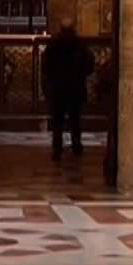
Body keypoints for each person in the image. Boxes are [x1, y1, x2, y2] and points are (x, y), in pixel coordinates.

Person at [42, 18, 95, 161]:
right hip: (75, 87)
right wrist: (80, 74)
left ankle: (57, 148)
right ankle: (76, 145)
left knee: (57, 120)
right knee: (75, 119)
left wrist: (50, 82)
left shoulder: (53, 44)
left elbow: (46, 66)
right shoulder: (80, 45)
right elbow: (89, 64)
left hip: (58, 87)